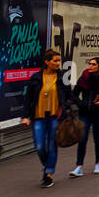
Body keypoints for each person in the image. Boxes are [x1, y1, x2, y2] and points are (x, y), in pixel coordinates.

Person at [21, 49, 75, 189]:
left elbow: (69, 95)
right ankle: (48, 166)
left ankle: (49, 174)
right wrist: (25, 116)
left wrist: (66, 105)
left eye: (59, 61)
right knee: (39, 146)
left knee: (52, 145)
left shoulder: (62, 77)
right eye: (55, 61)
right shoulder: (36, 77)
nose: (58, 63)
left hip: (54, 117)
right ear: (47, 62)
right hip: (38, 116)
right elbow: (28, 99)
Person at [71, 56, 99, 177]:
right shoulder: (84, 77)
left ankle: (98, 163)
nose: (90, 66)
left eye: (93, 64)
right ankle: (79, 166)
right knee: (82, 138)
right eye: (90, 64)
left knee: (97, 138)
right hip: (85, 112)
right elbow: (74, 93)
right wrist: (80, 103)